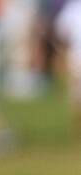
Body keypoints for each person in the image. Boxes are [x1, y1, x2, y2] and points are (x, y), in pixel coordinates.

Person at [54, 0, 81, 130]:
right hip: (76, 56)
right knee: (77, 94)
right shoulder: (73, 7)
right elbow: (62, 33)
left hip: (75, 56)